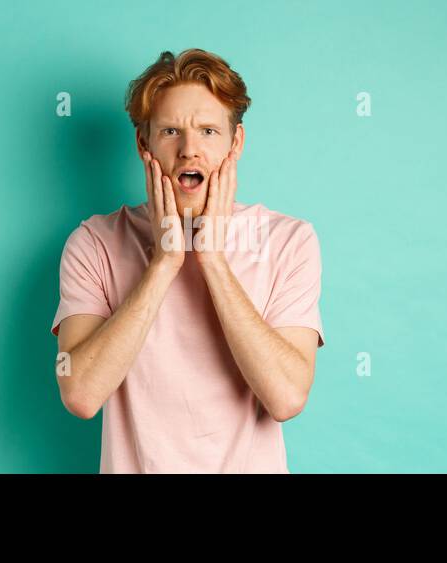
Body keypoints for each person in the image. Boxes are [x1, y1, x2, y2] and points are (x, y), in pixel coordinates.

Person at [50, 48, 324, 473]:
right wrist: (164, 263)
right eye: (171, 131)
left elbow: (287, 397)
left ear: (237, 142)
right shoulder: (94, 243)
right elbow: (80, 395)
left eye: (209, 131)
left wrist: (211, 258)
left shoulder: (289, 241)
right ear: (144, 144)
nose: (189, 151)